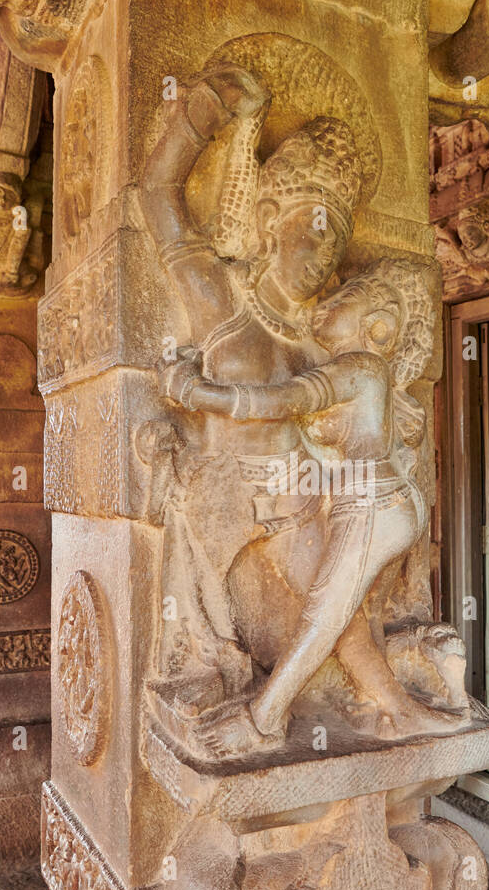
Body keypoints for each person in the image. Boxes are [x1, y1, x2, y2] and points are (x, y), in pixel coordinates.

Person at [168, 258, 464, 755]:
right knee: (345, 618)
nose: (328, 302)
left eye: (344, 299)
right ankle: (402, 708)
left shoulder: (361, 367)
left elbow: (279, 400)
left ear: (376, 325)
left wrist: (197, 392)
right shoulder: (358, 374)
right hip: (372, 505)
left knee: (323, 615)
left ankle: (263, 718)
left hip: (373, 506)